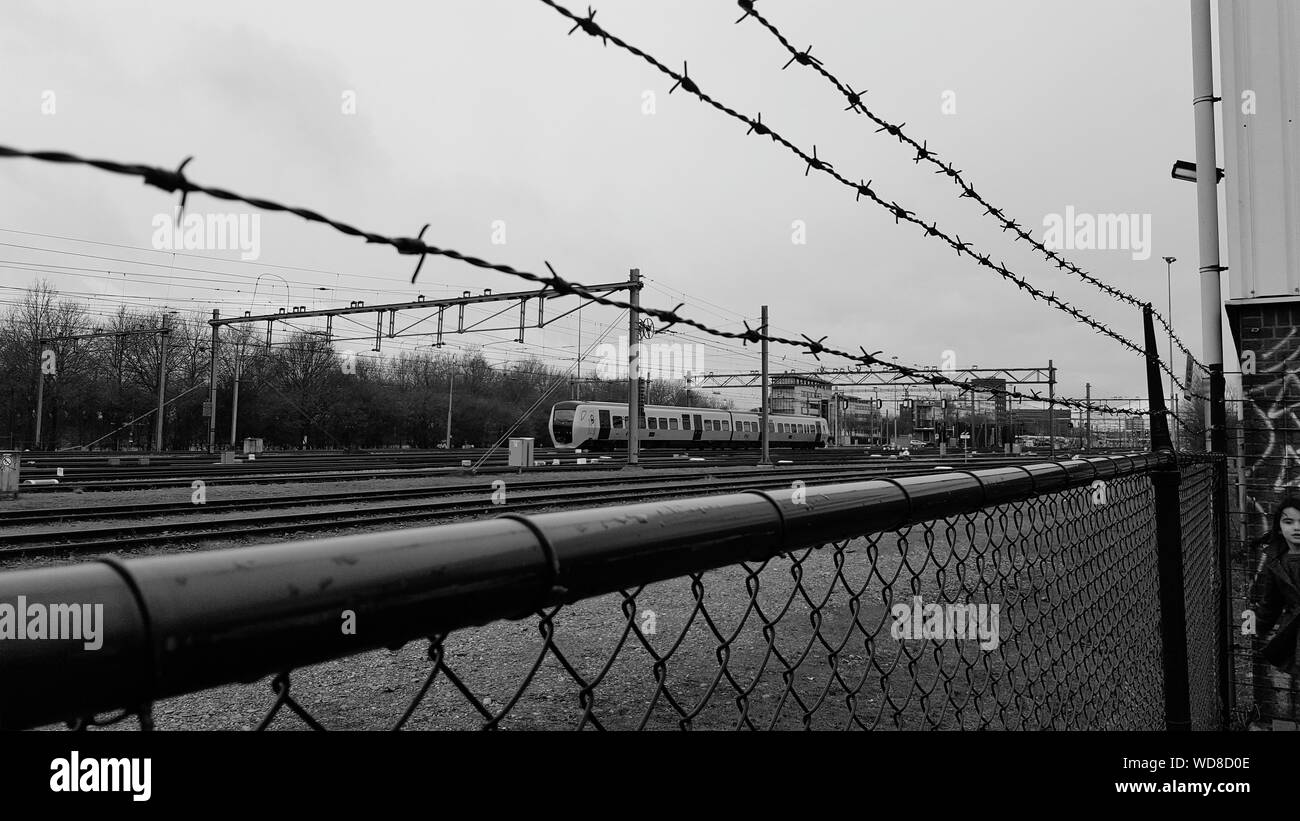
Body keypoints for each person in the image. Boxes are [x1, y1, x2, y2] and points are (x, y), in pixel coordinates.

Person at [1251, 497, 1300, 677]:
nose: (1296, 527)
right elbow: (1272, 601)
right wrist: (1258, 626)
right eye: (1289, 522)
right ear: (1279, 528)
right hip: (1294, 633)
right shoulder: (1277, 560)